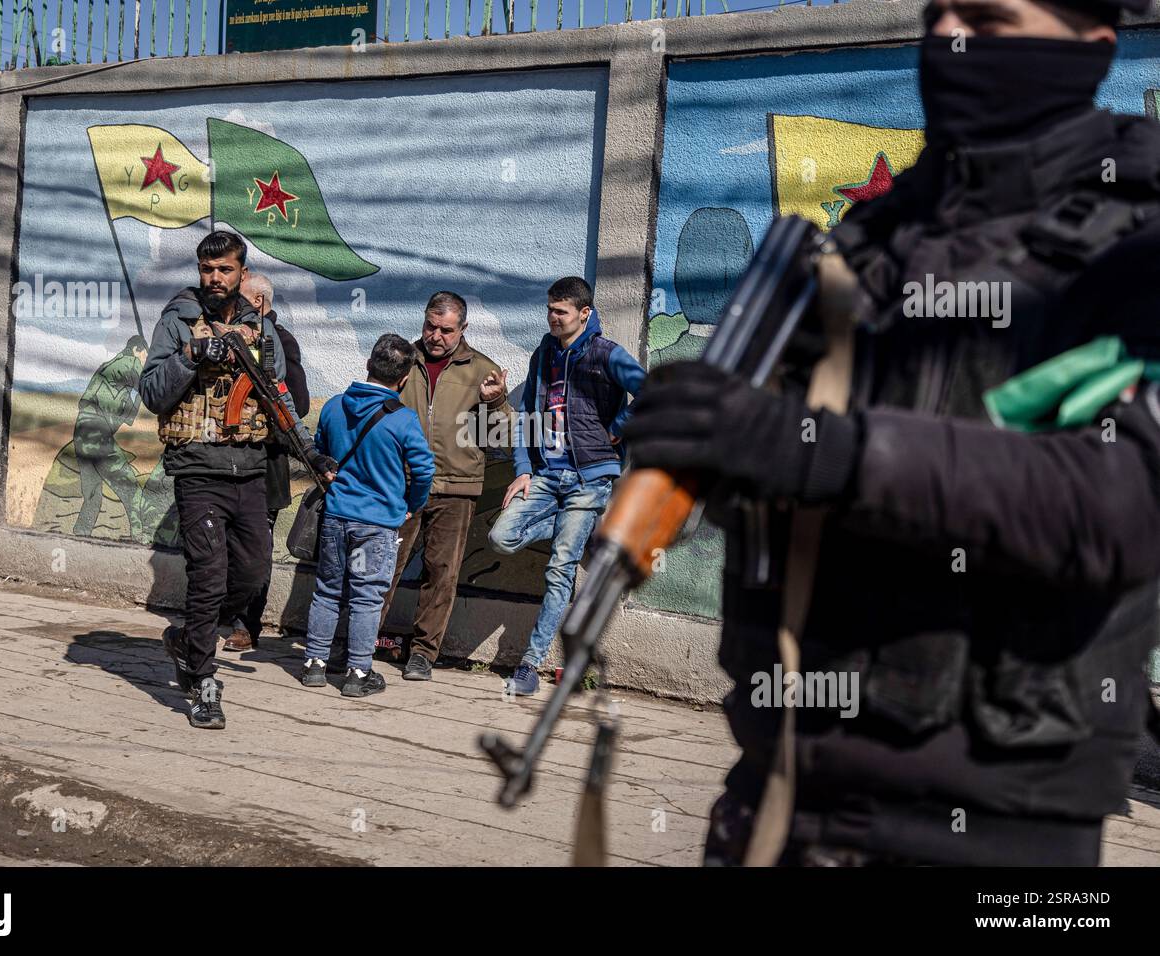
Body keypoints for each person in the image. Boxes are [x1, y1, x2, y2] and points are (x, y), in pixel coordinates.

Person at [624, 0, 1160, 866]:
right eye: (938, 11)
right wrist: (714, 448)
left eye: (987, 16)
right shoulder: (872, 240)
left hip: (995, 825)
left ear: (1093, 42)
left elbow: (1119, 504)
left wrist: (820, 451)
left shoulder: (1134, 241)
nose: (950, 36)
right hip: (782, 784)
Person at [139, 231, 334, 730]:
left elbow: (280, 397)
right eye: (208, 270)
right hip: (197, 468)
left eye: (225, 270)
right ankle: (203, 682)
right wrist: (192, 357)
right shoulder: (179, 319)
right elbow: (152, 393)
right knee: (208, 577)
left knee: (248, 574)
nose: (215, 279)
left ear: (242, 273)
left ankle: (187, 640)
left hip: (248, 467)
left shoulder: (262, 332)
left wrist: (311, 453)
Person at [488, 277, 645, 696]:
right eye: (550, 310)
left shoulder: (605, 353)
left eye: (561, 311)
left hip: (589, 478)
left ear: (584, 313)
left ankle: (529, 667)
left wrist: (617, 426)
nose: (553, 318)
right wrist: (523, 468)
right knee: (502, 536)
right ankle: (573, 529)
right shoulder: (543, 354)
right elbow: (525, 416)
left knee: (560, 570)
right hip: (545, 475)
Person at [374, 291, 510, 681]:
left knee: (442, 572)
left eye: (446, 330)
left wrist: (495, 402)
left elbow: (501, 439)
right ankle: (361, 643)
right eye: (430, 326)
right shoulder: (402, 361)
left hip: (457, 487)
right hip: (400, 484)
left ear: (462, 329)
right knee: (384, 567)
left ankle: (422, 653)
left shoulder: (483, 370)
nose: (436, 336)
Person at [300, 334, 435, 698]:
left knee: (327, 590)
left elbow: (323, 455)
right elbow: (424, 470)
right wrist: (412, 503)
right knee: (366, 597)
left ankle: (314, 664)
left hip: (336, 516)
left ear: (367, 366)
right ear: (403, 379)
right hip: (375, 526)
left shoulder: (333, 406)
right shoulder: (404, 419)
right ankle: (359, 672)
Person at [221, 271, 312, 652]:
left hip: (265, 461)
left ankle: (246, 625)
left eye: (238, 299)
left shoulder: (279, 341)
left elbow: (299, 404)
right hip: (225, 457)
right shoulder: (226, 335)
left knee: (255, 548)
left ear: (258, 303)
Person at [72, 335, 149, 541]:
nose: (144, 360)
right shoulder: (127, 362)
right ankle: (141, 537)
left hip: (82, 434)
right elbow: (146, 381)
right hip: (97, 433)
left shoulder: (114, 375)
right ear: (136, 350)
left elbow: (129, 418)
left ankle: (80, 536)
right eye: (145, 356)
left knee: (92, 497)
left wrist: (139, 396)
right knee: (131, 489)